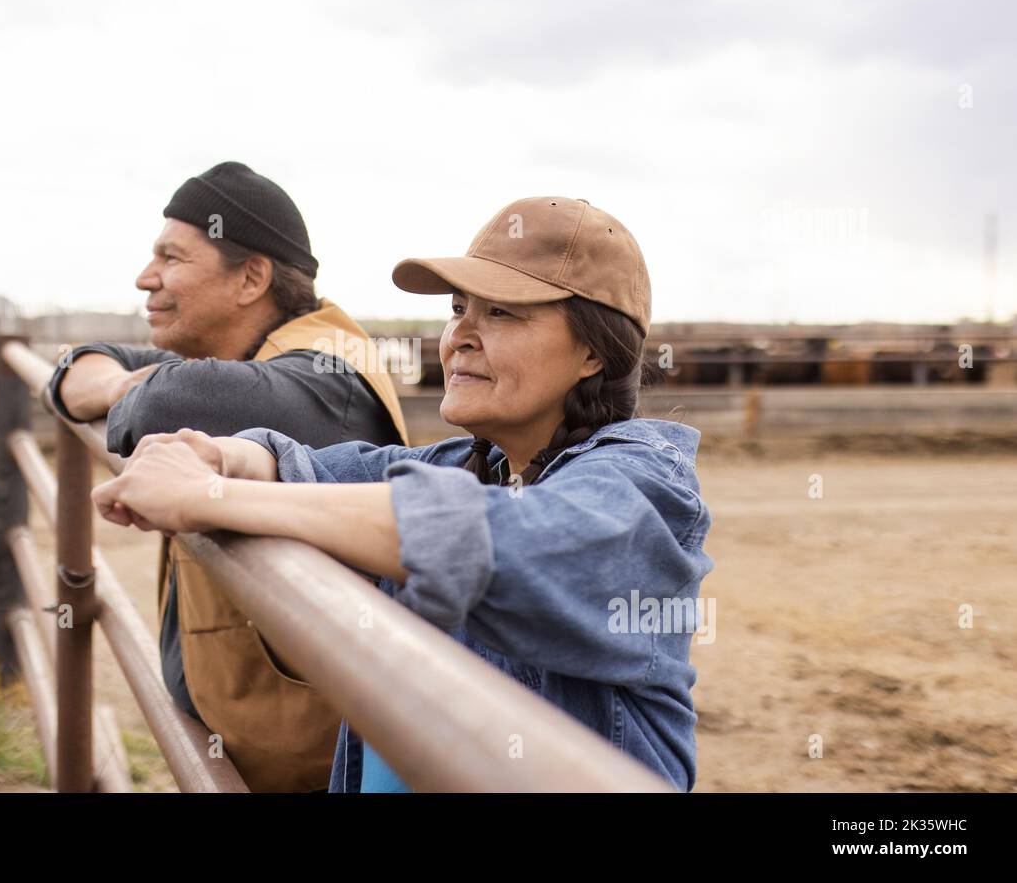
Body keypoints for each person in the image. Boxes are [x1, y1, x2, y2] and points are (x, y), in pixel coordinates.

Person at [92, 195, 714, 792]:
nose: (460, 336)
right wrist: (227, 454)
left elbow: (499, 537)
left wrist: (210, 498)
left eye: (501, 312)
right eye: (458, 309)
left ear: (591, 350)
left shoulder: (645, 484)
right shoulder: (481, 463)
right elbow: (334, 468)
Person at [48, 161, 409, 792]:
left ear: (250, 278)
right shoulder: (237, 354)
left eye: (172, 257)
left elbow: (162, 402)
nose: (145, 277)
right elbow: (73, 368)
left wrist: (133, 391)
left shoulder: (329, 376)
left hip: (314, 770)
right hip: (254, 748)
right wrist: (111, 383)